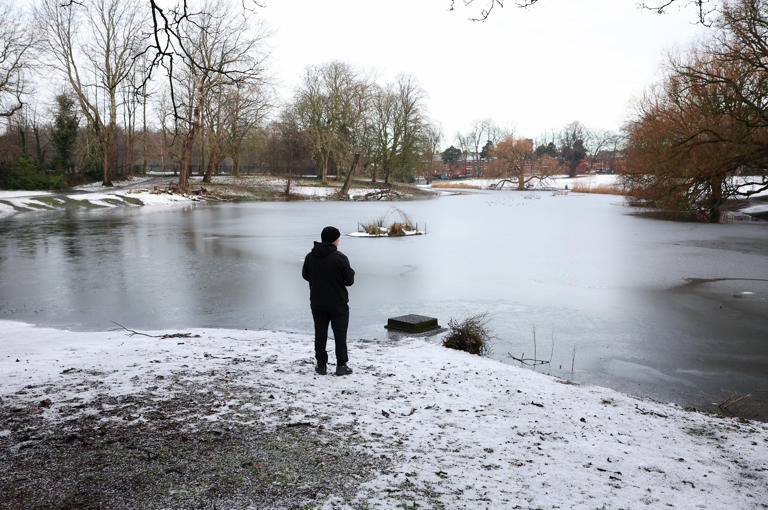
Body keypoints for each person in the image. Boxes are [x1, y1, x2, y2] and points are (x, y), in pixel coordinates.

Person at [302, 226, 355, 376]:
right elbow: (349, 281)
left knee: (320, 334)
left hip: (317, 302)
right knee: (340, 335)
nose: (339, 241)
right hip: (338, 303)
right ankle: (341, 366)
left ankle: (321, 365)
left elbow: (305, 275)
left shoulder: (310, 256)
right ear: (334, 240)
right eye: (338, 238)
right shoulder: (340, 258)